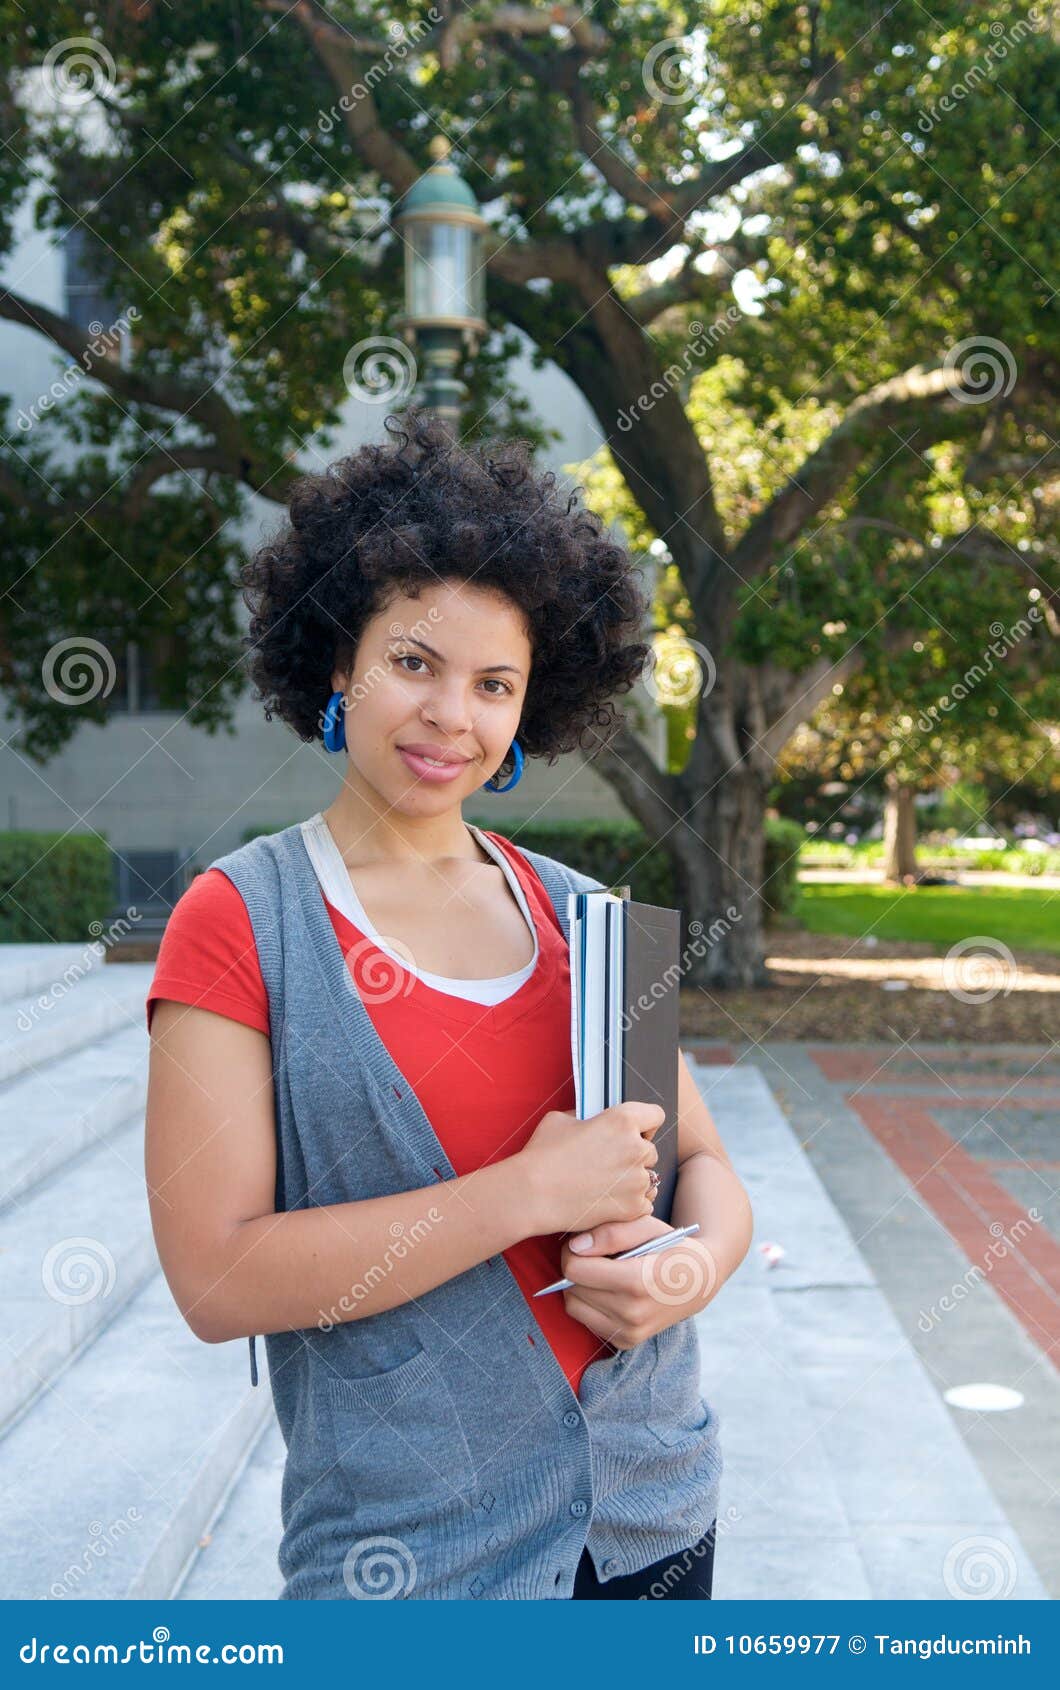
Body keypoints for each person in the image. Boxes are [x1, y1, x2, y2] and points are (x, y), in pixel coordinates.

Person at [145, 408, 753, 1601]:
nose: (449, 717)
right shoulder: (242, 921)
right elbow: (215, 1280)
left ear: (531, 707)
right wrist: (526, 1192)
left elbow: (703, 1163)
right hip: (409, 1565)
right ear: (337, 659)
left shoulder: (594, 922)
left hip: (652, 1525)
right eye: (412, 662)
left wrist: (688, 1271)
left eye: (493, 684)